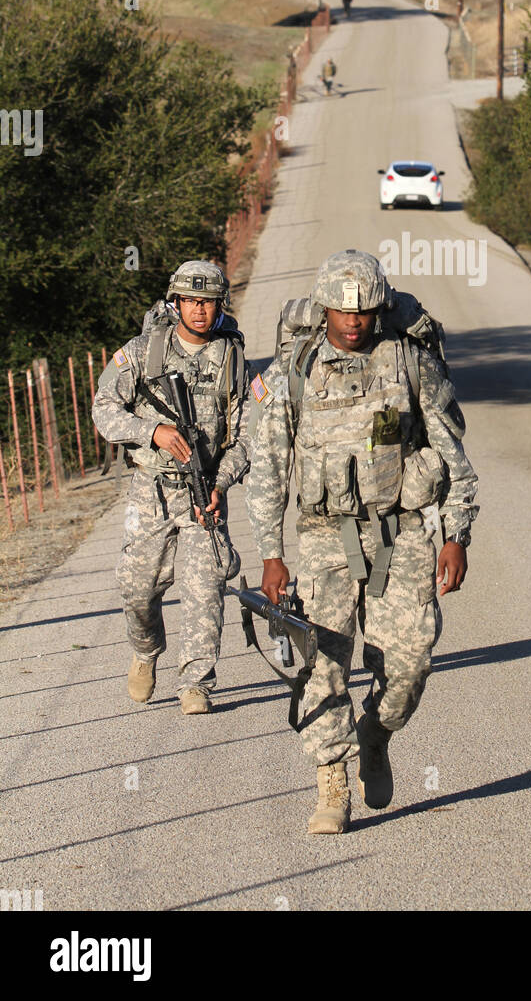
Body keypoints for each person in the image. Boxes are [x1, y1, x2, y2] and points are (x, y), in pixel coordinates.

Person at [245, 249, 478, 833]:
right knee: (322, 663)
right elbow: (270, 468)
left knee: (410, 664)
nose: (354, 322)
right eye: (342, 312)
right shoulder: (292, 369)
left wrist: (457, 534)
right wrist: (271, 555)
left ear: (379, 308)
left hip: (401, 532)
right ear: (323, 309)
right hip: (324, 536)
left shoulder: (410, 362)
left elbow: (453, 455)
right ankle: (331, 780)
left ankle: (376, 732)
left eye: (365, 311)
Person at [92, 261, 250, 714]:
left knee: (205, 588)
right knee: (138, 587)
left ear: (221, 305)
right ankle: (146, 652)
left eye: (208, 302)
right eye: (192, 301)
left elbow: (245, 438)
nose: (200, 311)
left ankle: (196, 683)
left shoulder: (233, 360)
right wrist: (152, 431)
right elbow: (104, 408)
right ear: (176, 302)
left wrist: (220, 482)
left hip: (205, 490)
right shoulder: (144, 351)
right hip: (152, 488)